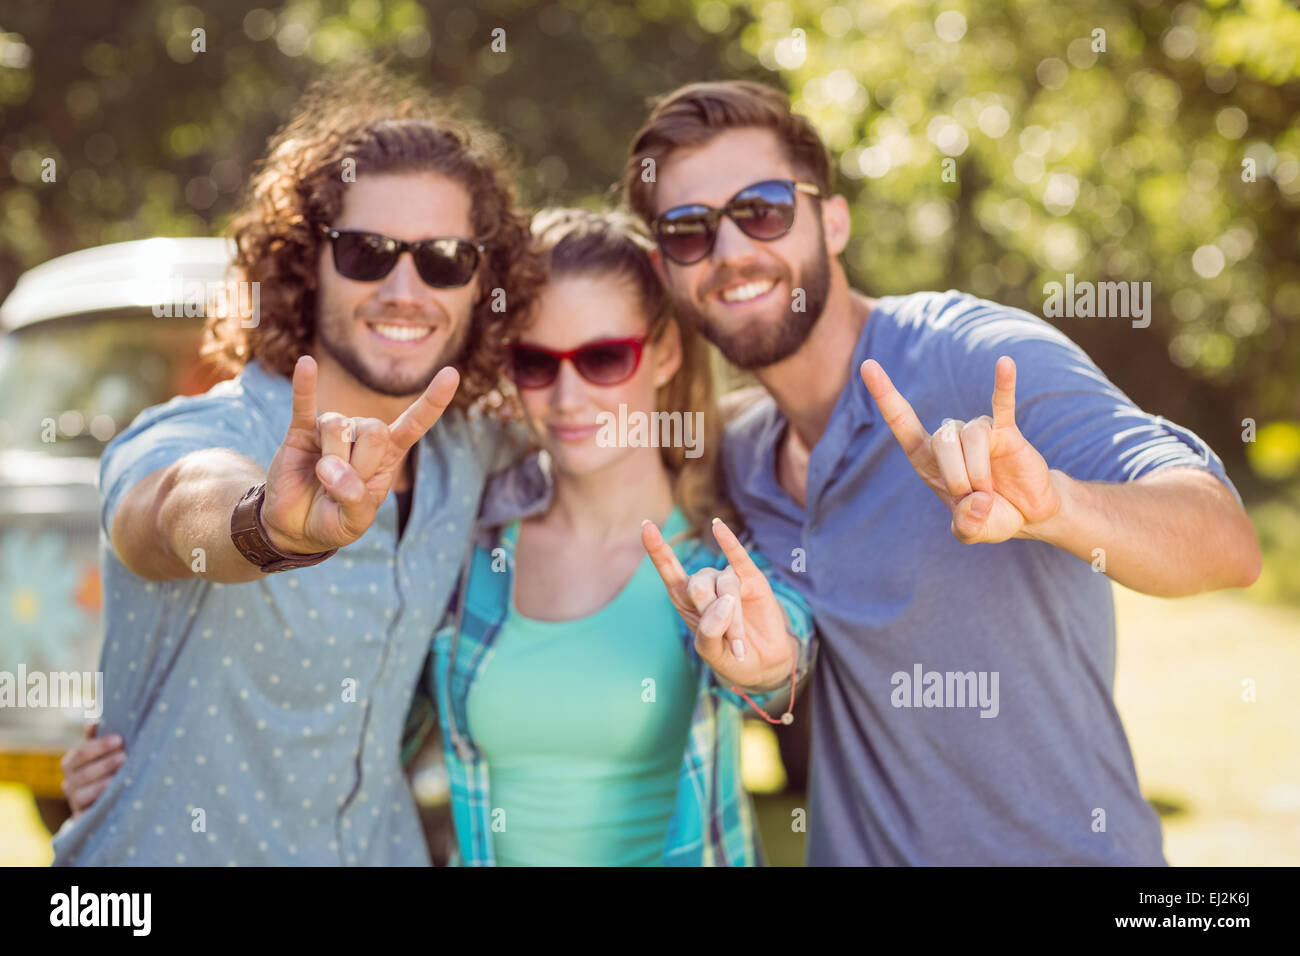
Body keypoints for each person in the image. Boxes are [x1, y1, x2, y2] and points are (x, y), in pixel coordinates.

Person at [623, 80, 1261, 865]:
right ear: (665, 267)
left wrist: (1057, 505)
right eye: (689, 230)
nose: (729, 251)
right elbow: (789, 655)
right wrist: (767, 673)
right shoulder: (742, 458)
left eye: (762, 209)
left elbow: (1225, 540)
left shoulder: (972, 357)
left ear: (833, 221)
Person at [64, 209, 816, 867]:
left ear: (666, 355)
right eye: (533, 362)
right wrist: (153, 767)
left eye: (603, 358)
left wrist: (769, 664)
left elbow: (778, 656)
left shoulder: (724, 553)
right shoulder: (473, 540)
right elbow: (354, 709)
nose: (568, 395)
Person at [53, 68, 543, 866]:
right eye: (367, 252)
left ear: (482, 281)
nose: (405, 287)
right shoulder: (205, 433)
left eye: (446, 258)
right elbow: (172, 508)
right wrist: (266, 524)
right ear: (305, 264)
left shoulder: (468, 453)